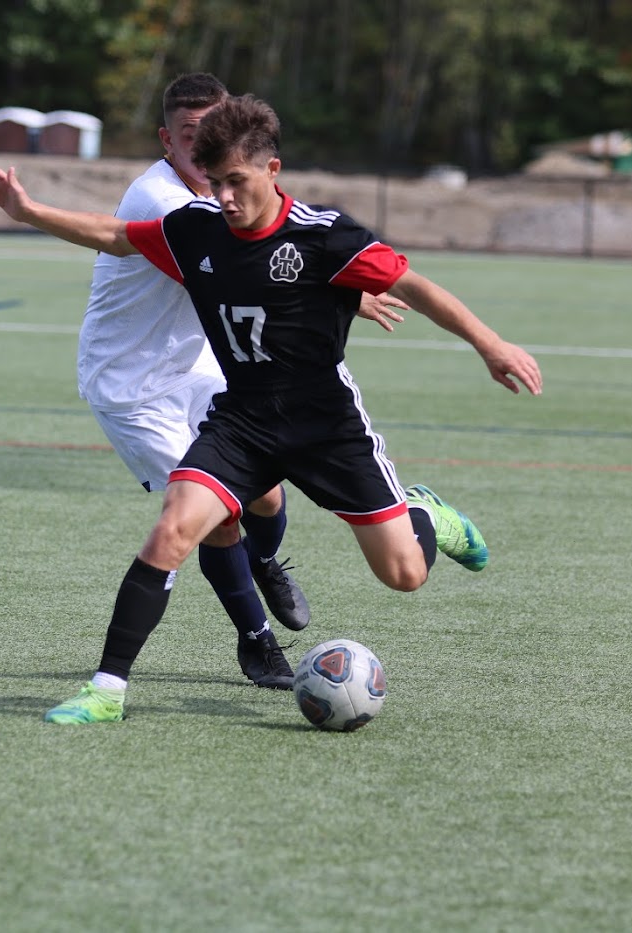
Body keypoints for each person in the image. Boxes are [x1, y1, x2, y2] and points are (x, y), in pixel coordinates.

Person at [0, 94, 543, 723]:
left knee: (404, 574)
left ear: (273, 171)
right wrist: (28, 210)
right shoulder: (196, 229)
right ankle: (107, 690)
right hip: (241, 421)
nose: (224, 197)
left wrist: (490, 344)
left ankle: (425, 514)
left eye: (236, 182)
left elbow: (414, 285)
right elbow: (115, 235)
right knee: (173, 528)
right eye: (214, 182)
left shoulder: (325, 235)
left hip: (326, 428)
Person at [81, 73, 408, 691]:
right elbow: (249, 256)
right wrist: (332, 288)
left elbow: (272, 249)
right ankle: (256, 640)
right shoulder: (163, 201)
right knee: (212, 519)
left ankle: (263, 561)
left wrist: (333, 285)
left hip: (198, 364)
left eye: (216, 131)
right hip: (133, 383)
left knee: (268, 497)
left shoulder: (218, 189)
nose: (204, 146)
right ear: (167, 141)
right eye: (191, 134)